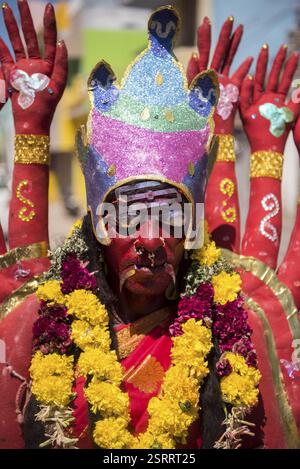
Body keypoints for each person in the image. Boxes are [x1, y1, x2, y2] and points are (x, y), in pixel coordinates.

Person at [0, 1, 299, 450]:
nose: (150, 239)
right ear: (99, 225)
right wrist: (31, 124)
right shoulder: (44, 318)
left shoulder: (237, 324)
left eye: (170, 215)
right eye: (130, 215)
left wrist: (264, 155)